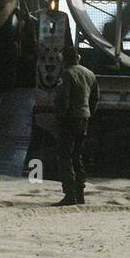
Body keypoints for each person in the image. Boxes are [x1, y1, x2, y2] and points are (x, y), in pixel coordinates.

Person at [52, 41, 98, 207]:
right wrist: (88, 112)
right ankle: (80, 194)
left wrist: (59, 118)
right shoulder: (90, 74)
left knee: (65, 156)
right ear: (78, 57)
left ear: (64, 58)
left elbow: (62, 100)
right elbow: (95, 98)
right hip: (83, 118)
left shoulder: (66, 74)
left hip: (69, 120)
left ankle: (69, 194)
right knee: (77, 156)